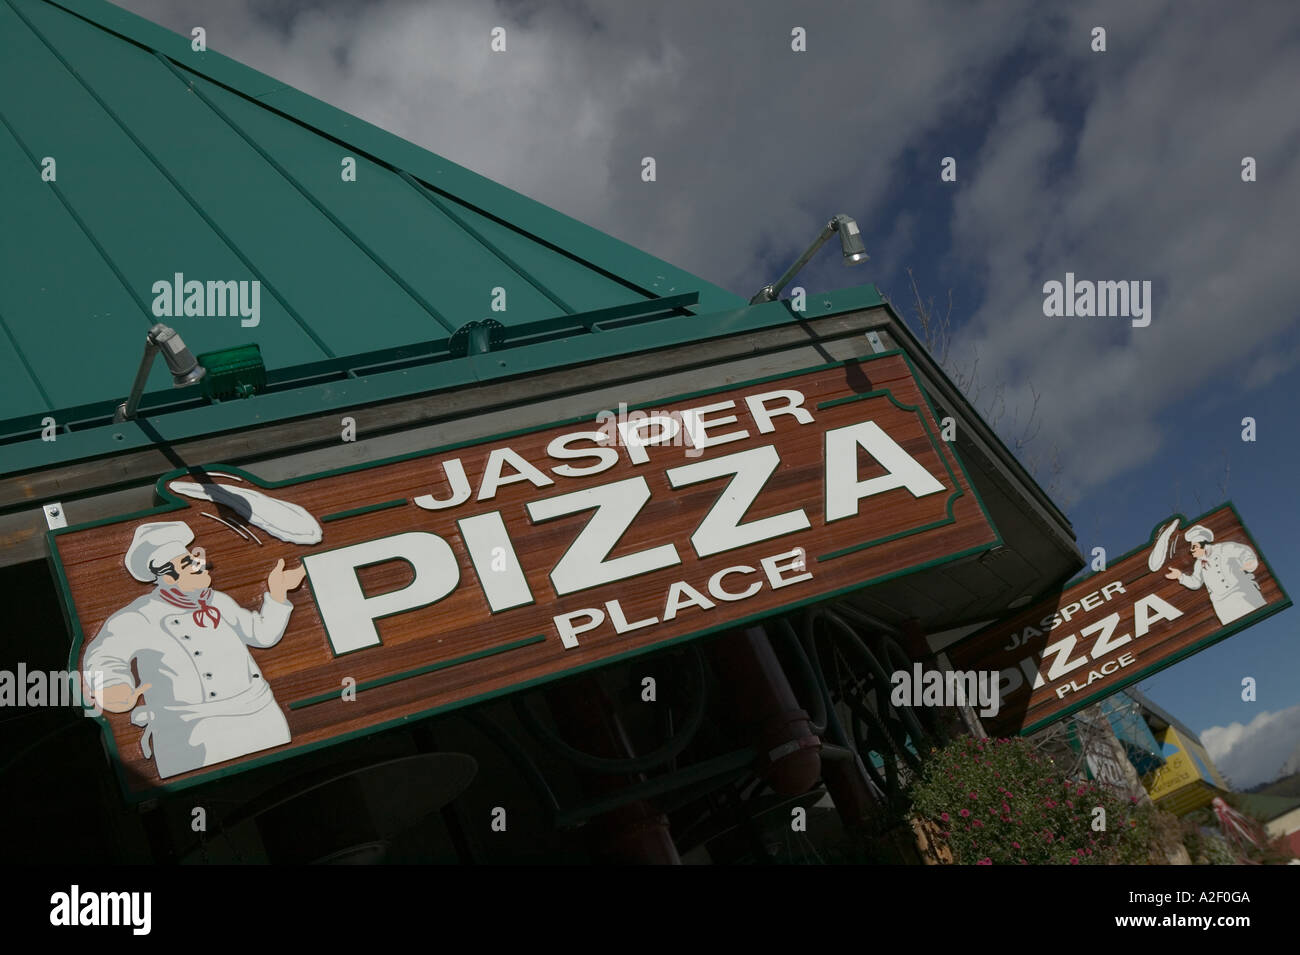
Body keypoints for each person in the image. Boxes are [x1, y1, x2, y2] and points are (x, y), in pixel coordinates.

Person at [81, 521, 305, 778]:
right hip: (193, 734)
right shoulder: (140, 616)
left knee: (286, 774)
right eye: (189, 565)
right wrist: (113, 686)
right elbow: (103, 655)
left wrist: (278, 592)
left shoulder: (218, 601)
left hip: (260, 714)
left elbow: (262, 635)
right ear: (166, 577)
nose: (200, 565)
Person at [1165, 524, 1265, 626]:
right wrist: (1180, 576)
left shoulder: (1224, 548)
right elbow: (1195, 582)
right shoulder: (1199, 564)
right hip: (1222, 605)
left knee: (1262, 617)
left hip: (1244, 594)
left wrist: (1249, 563)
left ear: (1203, 545)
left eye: (1194, 547)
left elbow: (1244, 552)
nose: (1191, 550)